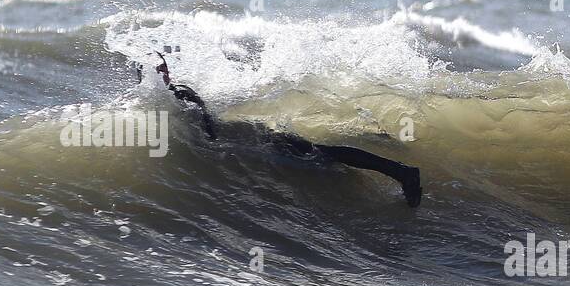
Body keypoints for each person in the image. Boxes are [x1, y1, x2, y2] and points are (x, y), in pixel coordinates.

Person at [147, 50, 423, 207]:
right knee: (324, 158)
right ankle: (395, 168)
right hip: (252, 138)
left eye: (161, 69)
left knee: (325, 154)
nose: (161, 74)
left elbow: (208, 130)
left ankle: (401, 171)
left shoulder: (181, 94)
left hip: (258, 140)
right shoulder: (176, 94)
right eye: (153, 71)